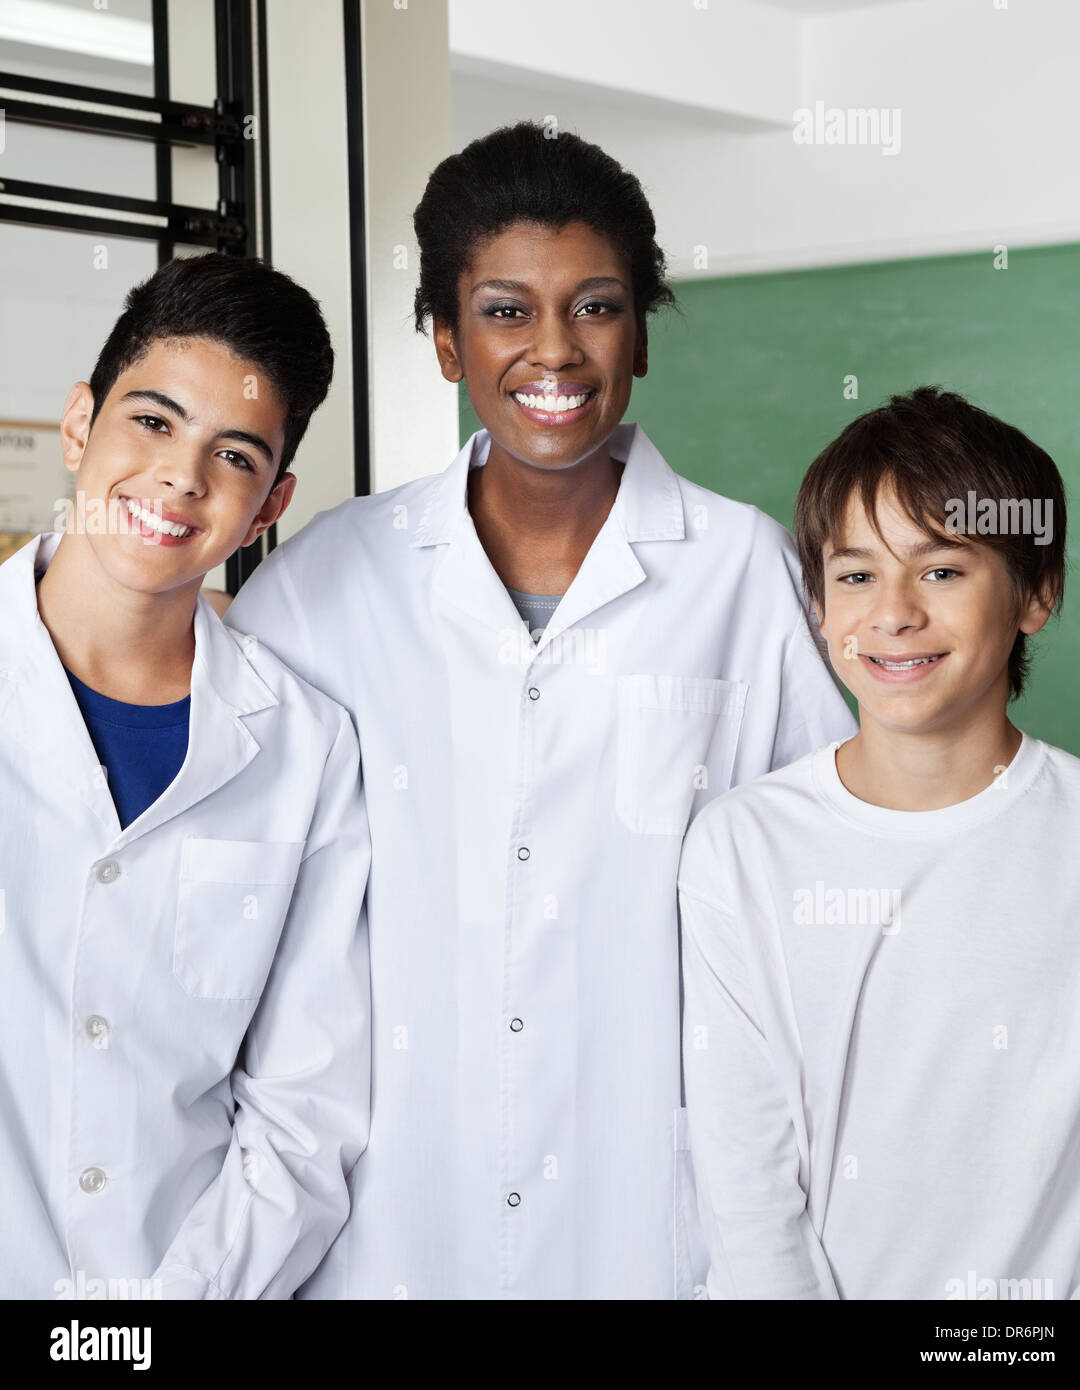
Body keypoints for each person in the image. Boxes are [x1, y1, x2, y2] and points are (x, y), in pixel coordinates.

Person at [226, 121, 855, 1299]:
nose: (554, 351)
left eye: (597, 307)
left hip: (654, 1236)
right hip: (386, 1235)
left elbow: (817, 921)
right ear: (445, 342)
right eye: (507, 311)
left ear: (642, 336)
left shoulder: (744, 576)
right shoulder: (324, 584)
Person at [679, 386, 1080, 1300]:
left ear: (1037, 591)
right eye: (856, 575)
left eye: (942, 571)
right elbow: (745, 1176)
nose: (893, 612)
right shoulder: (743, 847)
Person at [0, 254, 371, 1299]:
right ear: (79, 424)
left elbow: (309, 1109)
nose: (180, 479)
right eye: (152, 424)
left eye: (234, 454)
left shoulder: (304, 749)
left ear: (269, 506)